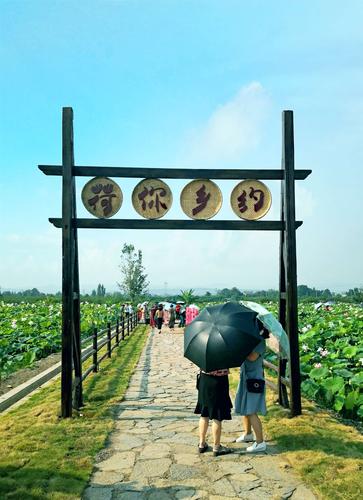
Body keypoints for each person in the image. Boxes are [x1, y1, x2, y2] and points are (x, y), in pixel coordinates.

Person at [234, 324, 269, 453]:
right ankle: (248, 434)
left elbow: (252, 357)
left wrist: (240, 349)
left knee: (251, 410)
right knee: (245, 407)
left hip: (254, 380)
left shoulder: (260, 341)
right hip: (246, 377)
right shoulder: (251, 340)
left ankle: (260, 442)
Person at [194, 367, 233, 457]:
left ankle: (202, 443)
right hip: (219, 382)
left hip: (204, 379)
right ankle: (216, 447)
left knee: (204, 414)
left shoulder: (203, 352)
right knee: (217, 416)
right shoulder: (224, 352)